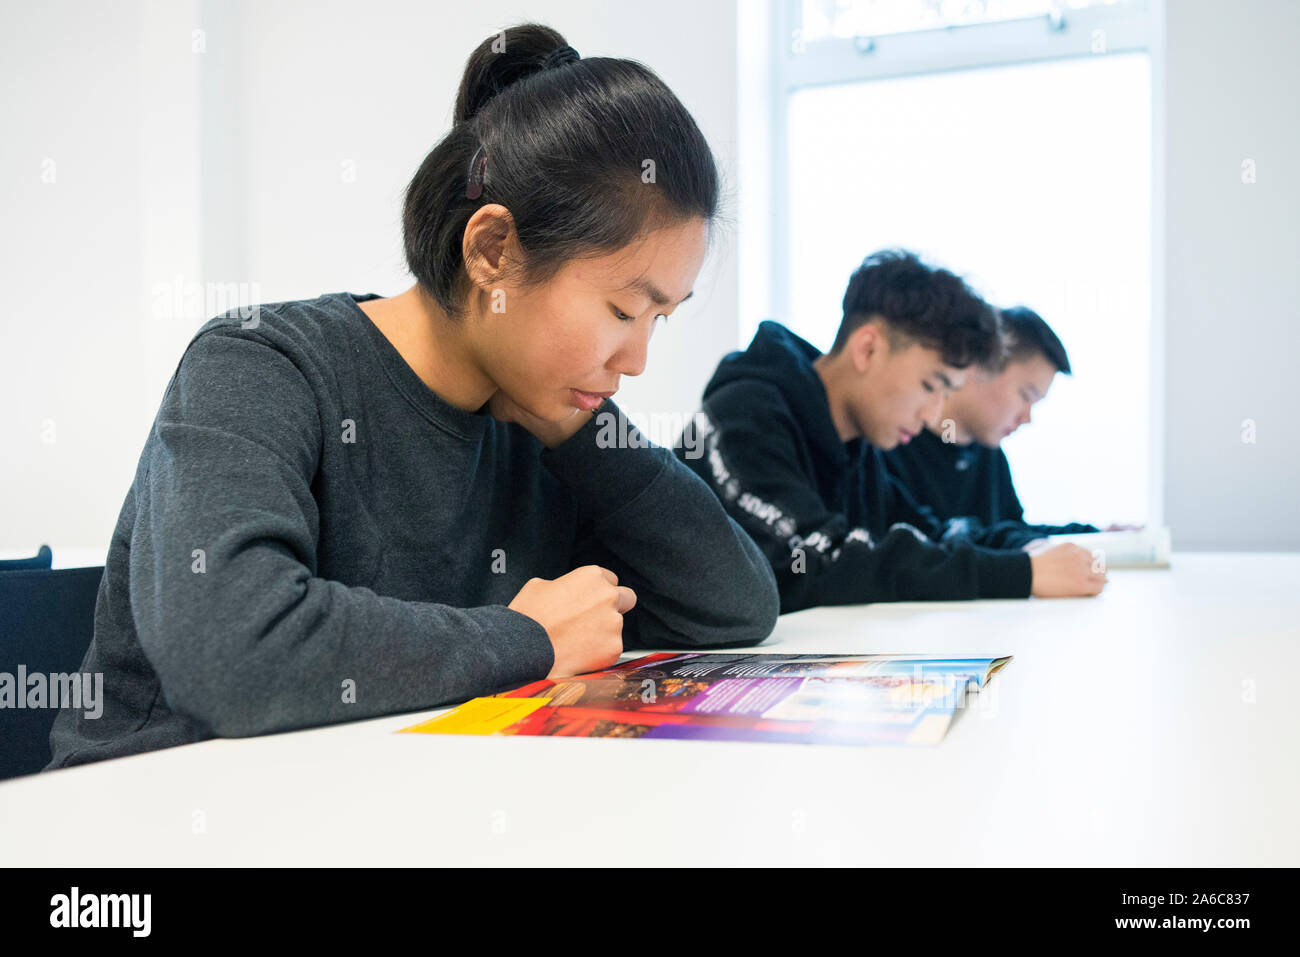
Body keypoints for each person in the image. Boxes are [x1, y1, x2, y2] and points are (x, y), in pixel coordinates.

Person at [47, 23, 779, 770]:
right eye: (623, 311)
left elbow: (732, 607)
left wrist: (583, 435)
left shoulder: (543, 423)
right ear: (493, 250)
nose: (637, 360)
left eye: (661, 319)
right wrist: (527, 639)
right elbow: (234, 651)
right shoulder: (259, 364)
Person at [674, 250, 1106, 614]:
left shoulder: (859, 449)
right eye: (930, 385)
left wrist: (1030, 549)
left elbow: (930, 533)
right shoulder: (746, 414)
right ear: (868, 348)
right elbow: (814, 563)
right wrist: (1019, 574)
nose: (934, 413)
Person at [883, 304, 1102, 534]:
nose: (1026, 418)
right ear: (979, 367)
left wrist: (1100, 537)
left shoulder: (988, 455)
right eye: (1025, 396)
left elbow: (1012, 535)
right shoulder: (895, 442)